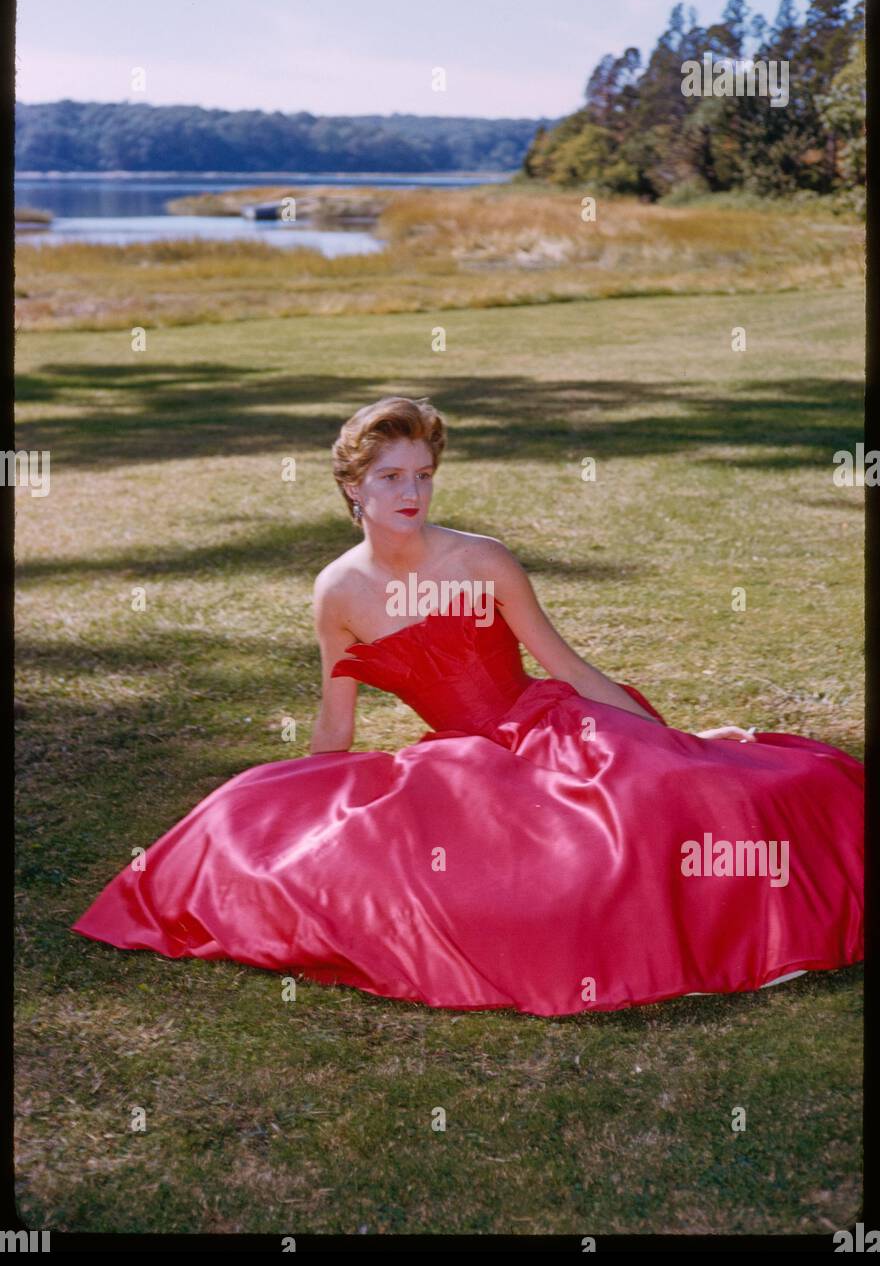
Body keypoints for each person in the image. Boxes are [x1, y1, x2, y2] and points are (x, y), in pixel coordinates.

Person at [71, 396, 864, 1016]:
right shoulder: (338, 592)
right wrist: (300, 812)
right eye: (390, 477)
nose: (410, 491)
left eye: (422, 474)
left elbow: (566, 664)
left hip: (561, 731)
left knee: (697, 802)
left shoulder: (482, 558)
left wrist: (674, 740)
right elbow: (335, 724)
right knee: (249, 810)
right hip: (464, 766)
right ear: (353, 487)